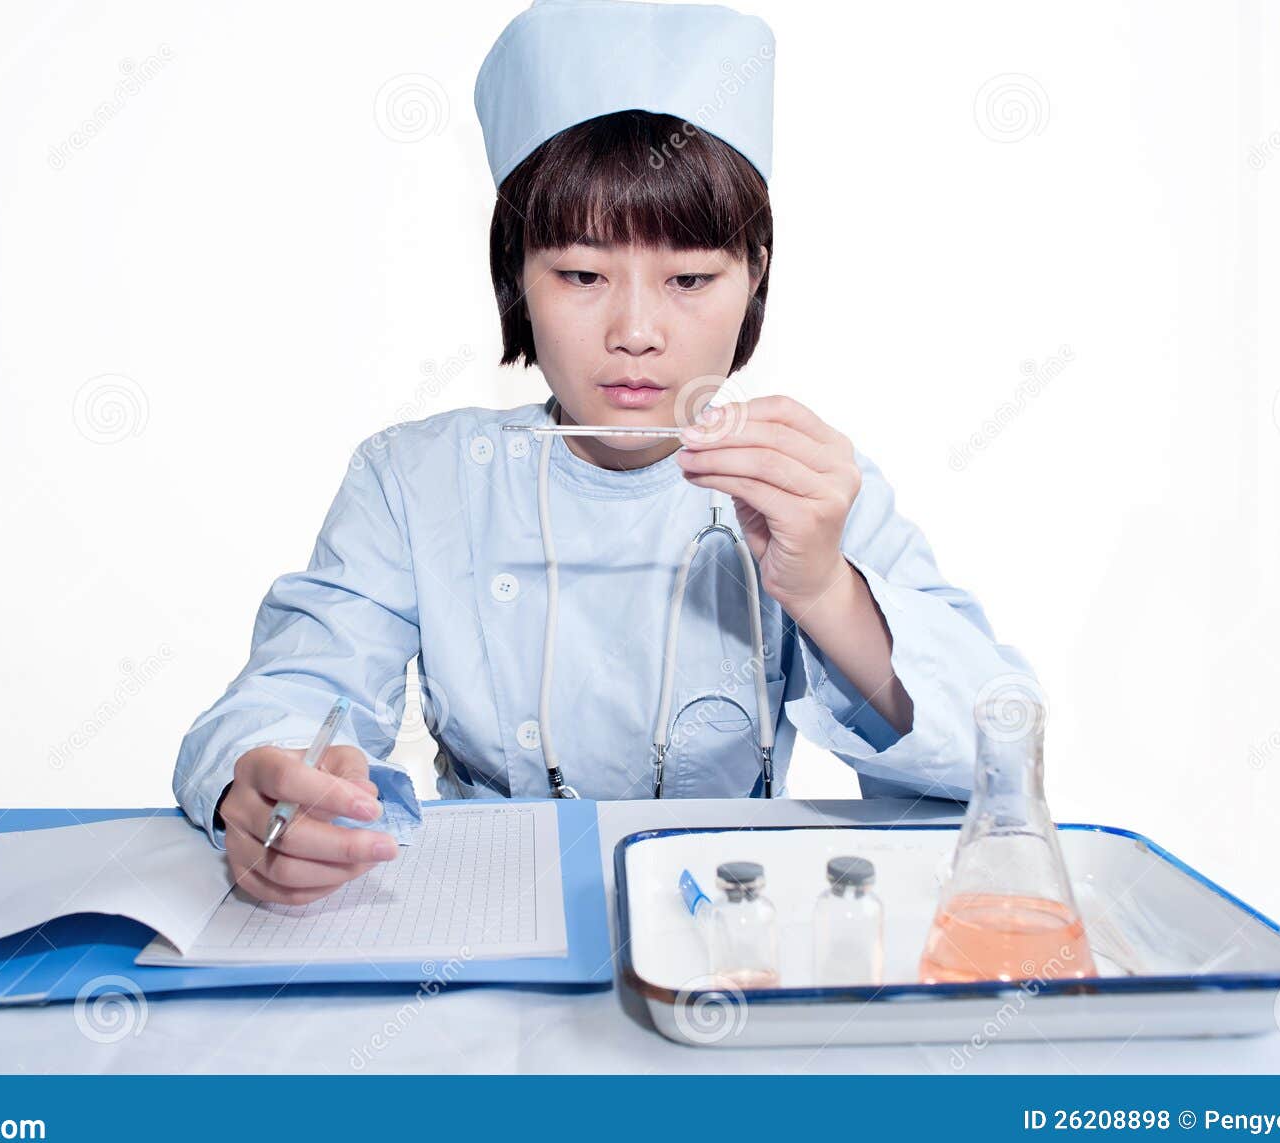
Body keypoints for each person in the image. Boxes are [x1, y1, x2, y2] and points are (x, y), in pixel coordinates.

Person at [172, 0, 1035, 905]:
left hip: (734, 929)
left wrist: (823, 587)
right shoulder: (411, 481)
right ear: (516, 279)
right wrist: (266, 781)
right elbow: (297, 685)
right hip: (482, 918)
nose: (635, 332)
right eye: (581, 274)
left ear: (755, 281)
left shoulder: (804, 482)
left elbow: (998, 748)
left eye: (691, 278)